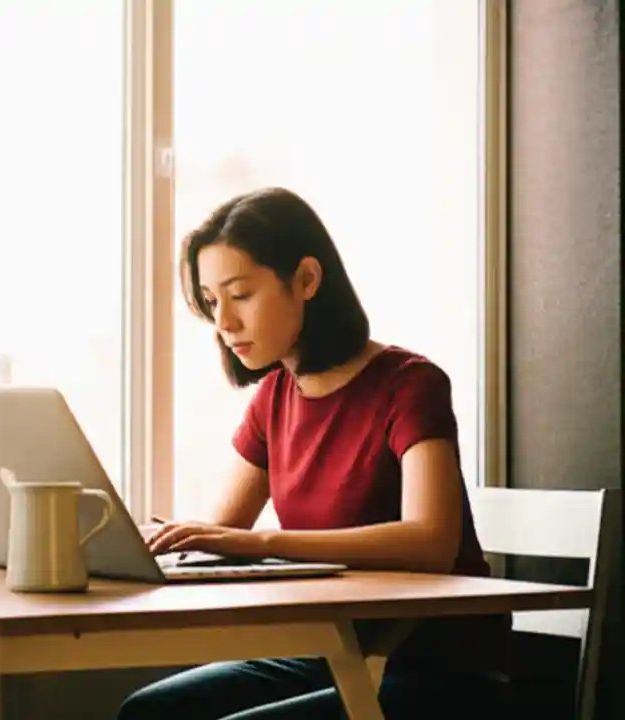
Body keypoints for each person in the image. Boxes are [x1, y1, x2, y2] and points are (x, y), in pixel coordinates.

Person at [118, 188, 511, 719]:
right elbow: (221, 536)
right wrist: (147, 544)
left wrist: (261, 542)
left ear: (306, 279)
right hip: (334, 653)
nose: (224, 323)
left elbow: (431, 541)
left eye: (241, 294)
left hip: (438, 668)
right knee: (150, 713)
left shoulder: (410, 384)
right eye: (212, 301)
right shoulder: (274, 397)